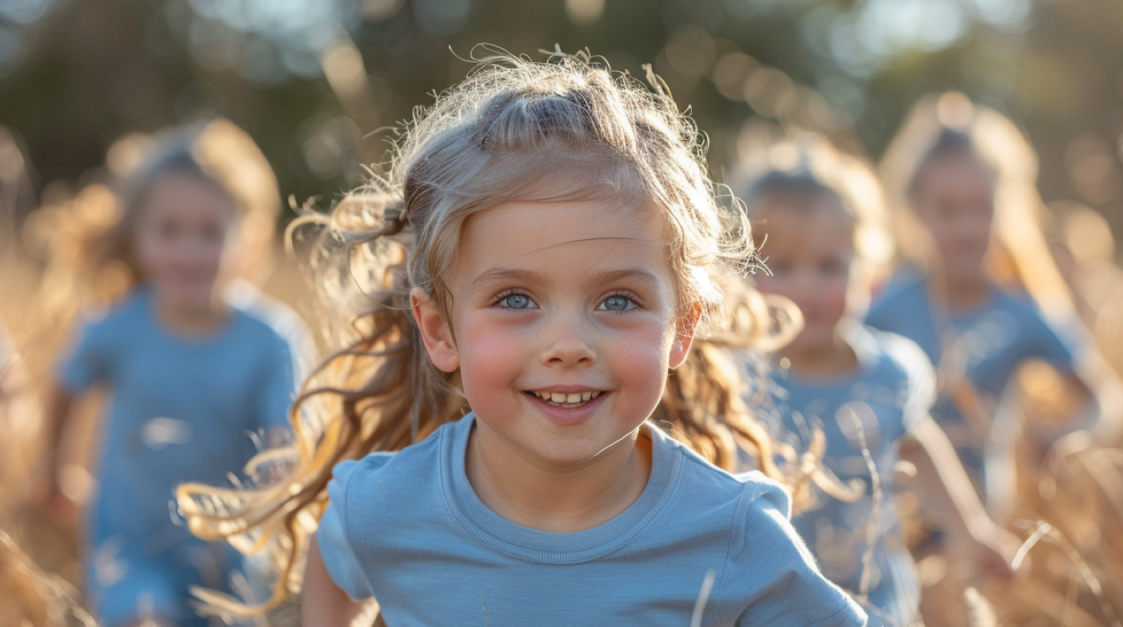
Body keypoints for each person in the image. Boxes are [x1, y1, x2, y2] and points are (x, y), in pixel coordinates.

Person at [178, 51, 867, 626]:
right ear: (440, 330)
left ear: (680, 328)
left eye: (618, 299)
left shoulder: (730, 532)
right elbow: (337, 558)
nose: (568, 342)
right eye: (515, 298)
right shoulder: (389, 507)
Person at [37, 119, 312, 627]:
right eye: (169, 230)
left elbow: (287, 434)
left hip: (234, 550)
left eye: (209, 232)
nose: (188, 250)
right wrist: (53, 467)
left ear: (248, 240)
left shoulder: (274, 339)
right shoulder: (114, 328)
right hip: (128, 543)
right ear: (136, 234)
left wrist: (281, 472)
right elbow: (64, 385)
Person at [735, 137, 1016, 625]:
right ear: (743, 274)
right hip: (766, 607)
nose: (807, 287)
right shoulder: (734, 380)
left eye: (828, 266)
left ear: (867, 271)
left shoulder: (889, 373)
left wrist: (973, 528)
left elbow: (919, 447)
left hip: (878, 603)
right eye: (782, 266)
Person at [867, 93, 1123, 513]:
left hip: (986, 533)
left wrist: (1068, 437)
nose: (966, 228)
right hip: (896, 524)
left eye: (980, 208)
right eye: (947, 210)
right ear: (915, 210)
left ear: (1003, 210)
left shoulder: (1021, 311)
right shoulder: (885, 308)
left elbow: (1105, 398)